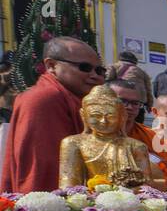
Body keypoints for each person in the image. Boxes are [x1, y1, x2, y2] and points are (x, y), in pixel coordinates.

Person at [1, 36, 104, 193]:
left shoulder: (77, 99)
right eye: (84, 67)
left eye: (99, 70)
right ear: (51, 65)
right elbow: (42, 168)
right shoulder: (42, 99)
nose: (95, 75)